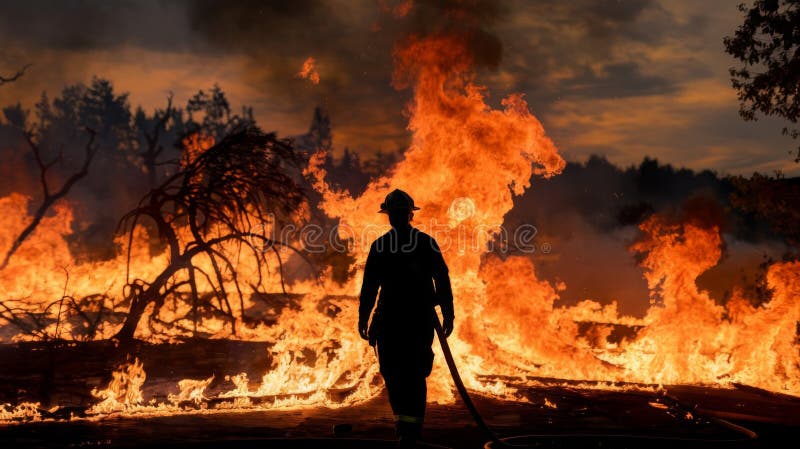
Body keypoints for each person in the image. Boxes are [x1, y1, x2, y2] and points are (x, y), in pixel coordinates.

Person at [358, 189, 455, 447]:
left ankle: (410, 432)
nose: (397, 217)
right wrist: (363, 317)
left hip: (408, 321)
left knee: (410, 376)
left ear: (409, 215)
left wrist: (448, 313)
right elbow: (370, 287)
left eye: (400, 213)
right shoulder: (399, 244)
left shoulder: (408, 244)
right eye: (395, 213)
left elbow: (442, 279)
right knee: (397, 375)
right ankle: (406, 430)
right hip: (398, 320)